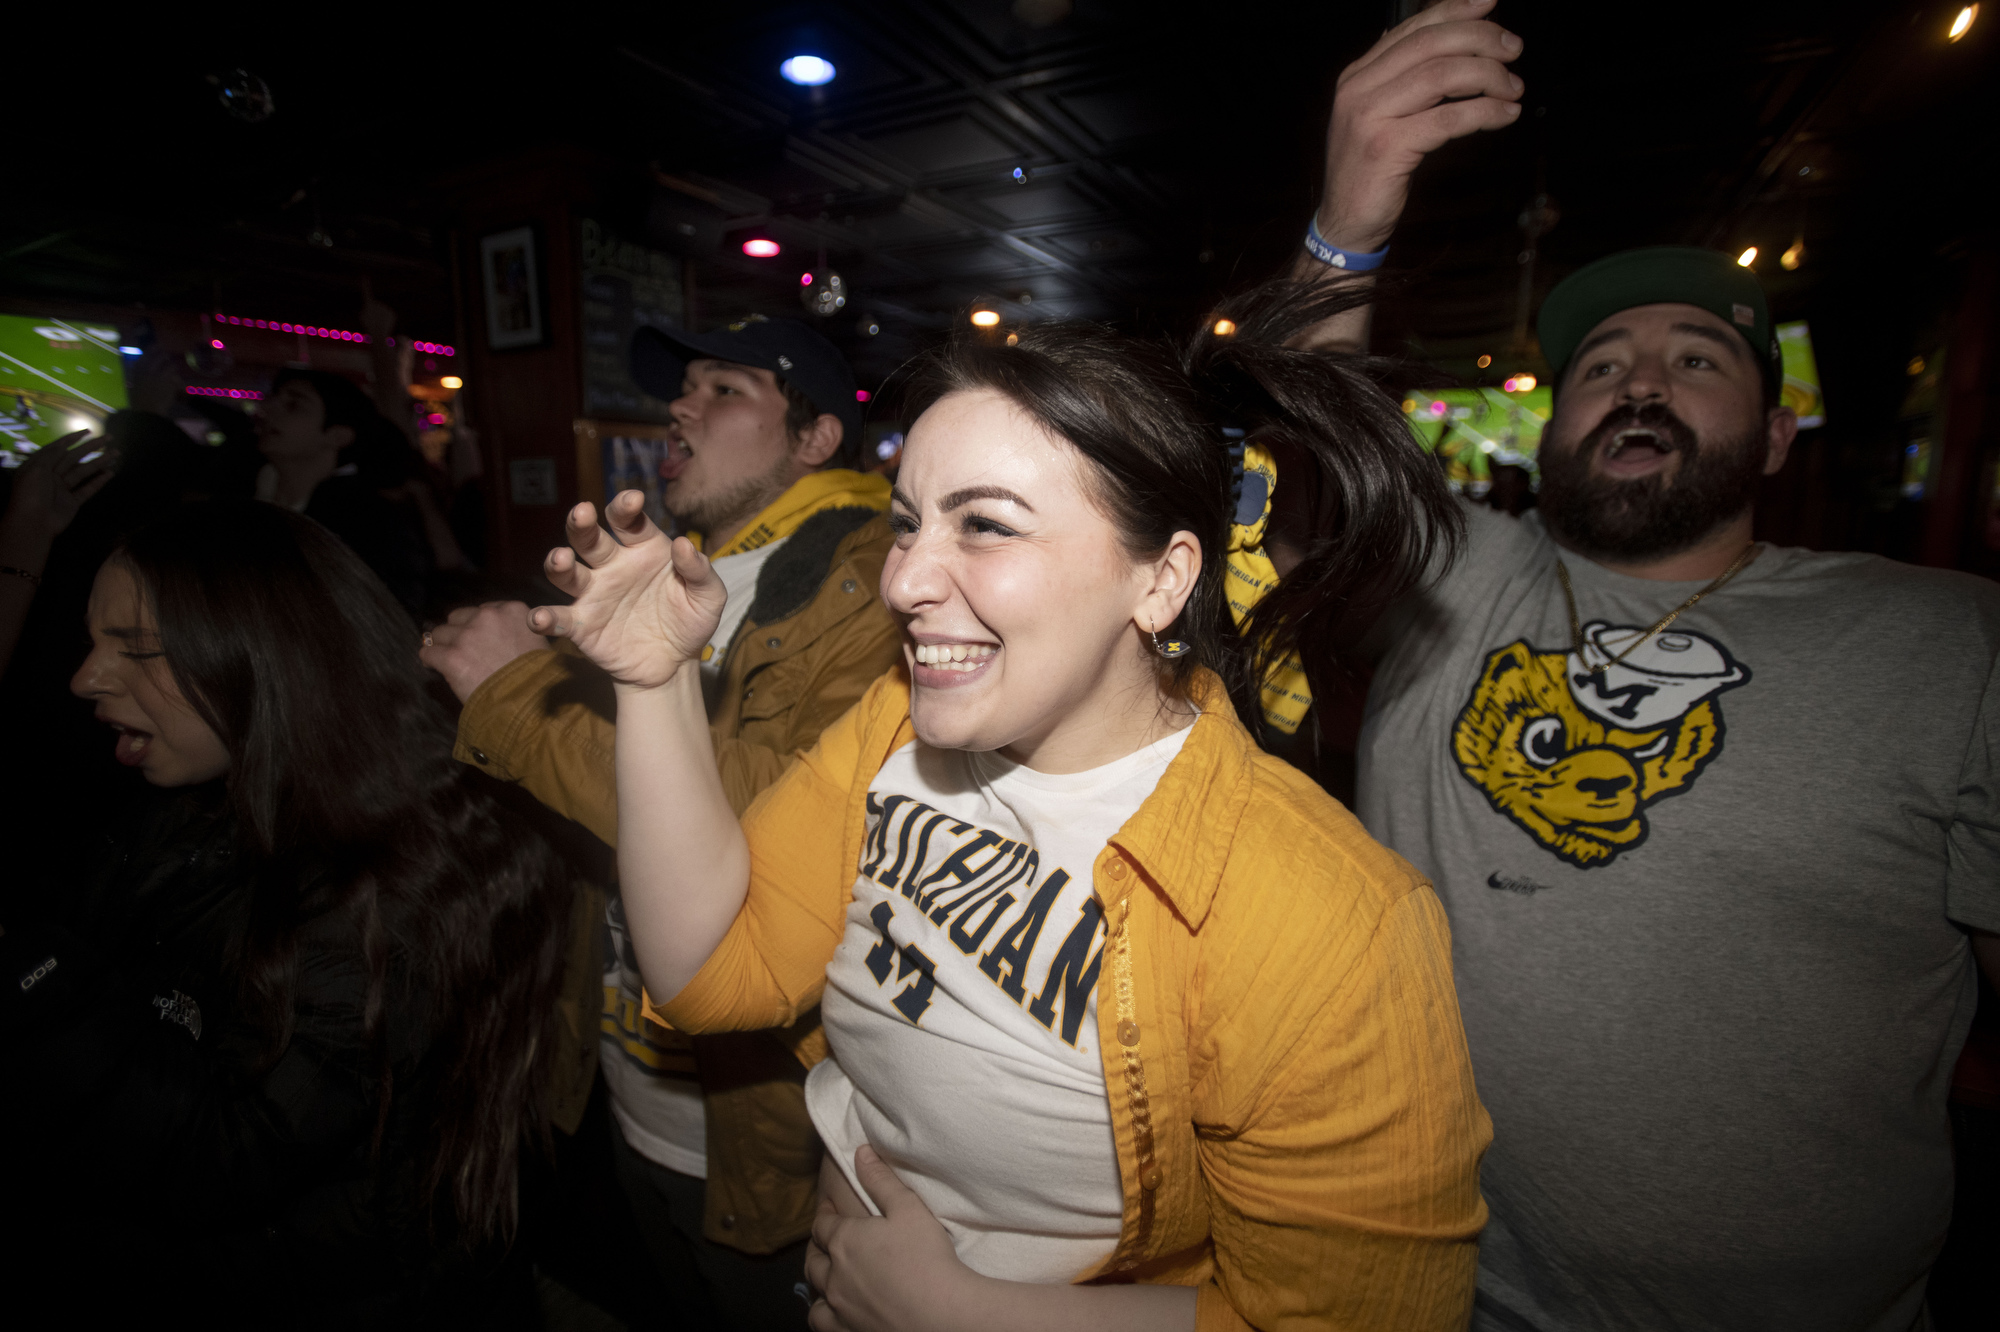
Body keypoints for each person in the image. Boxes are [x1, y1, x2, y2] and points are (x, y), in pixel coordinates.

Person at [526, 282, 1492, 1330]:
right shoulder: (891, 724)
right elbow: (719, 969)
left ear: (1160, 582)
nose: (903, 580)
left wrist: (959, 1310)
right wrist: (653, 680)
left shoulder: (1329, 921)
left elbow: (1355, 1319)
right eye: (908, 522)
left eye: (983, 524)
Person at [1294, 4, 2000, 1328]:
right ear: (1552, 429)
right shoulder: (1468, 582)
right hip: (1431, 1280)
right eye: (1600, 368)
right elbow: (1326, 424)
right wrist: (1348, 224)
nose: (1639, 383)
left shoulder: (1950, 639)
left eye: (1696, 361)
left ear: (1779, 438)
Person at [421, 315, 902, 1328]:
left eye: (725, 388)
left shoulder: (868, 579)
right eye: (683, 385)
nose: (679, 406)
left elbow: (784, 822)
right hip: (622, 1081)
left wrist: (514, 694)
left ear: (815, 440)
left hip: (750, 1122)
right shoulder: (672, 565)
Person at [0, 500, 575, 1325]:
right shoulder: (198, 803)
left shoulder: (384, 888)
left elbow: (220, 1158)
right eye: (94, 641)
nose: (86, 676)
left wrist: (31, 975)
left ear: (270, 657)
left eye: (136, 649)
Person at [255, 366, 451, 616]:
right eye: (272, 399)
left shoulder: (367, 517)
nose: (269, 410)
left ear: (338, 435)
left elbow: (389, 614)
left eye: (294, 405)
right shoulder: (242, 491)